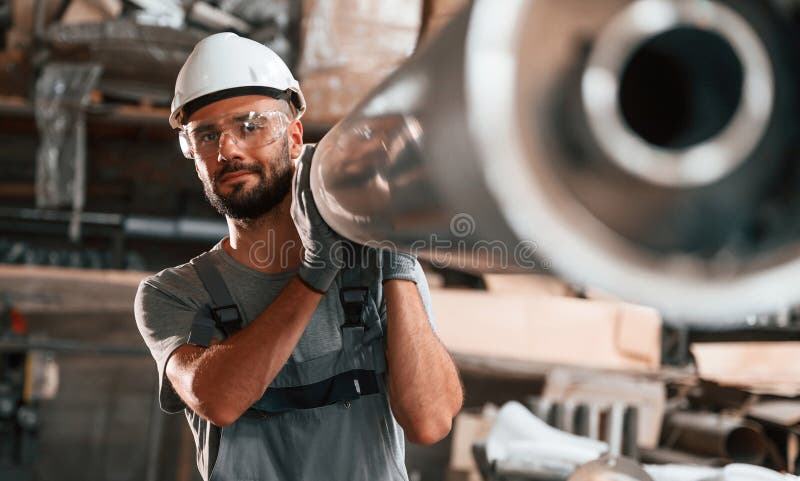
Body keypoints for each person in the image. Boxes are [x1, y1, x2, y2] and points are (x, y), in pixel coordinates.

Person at [134, 32, 463, 481]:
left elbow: (430, 420)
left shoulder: (376, 270)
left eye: (250, 125)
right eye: (207, 135)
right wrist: (315, 271)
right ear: (193, 154)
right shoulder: (173, 293)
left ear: (294, 137)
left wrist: (396, 253)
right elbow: (221, 400)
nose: (227, 149)